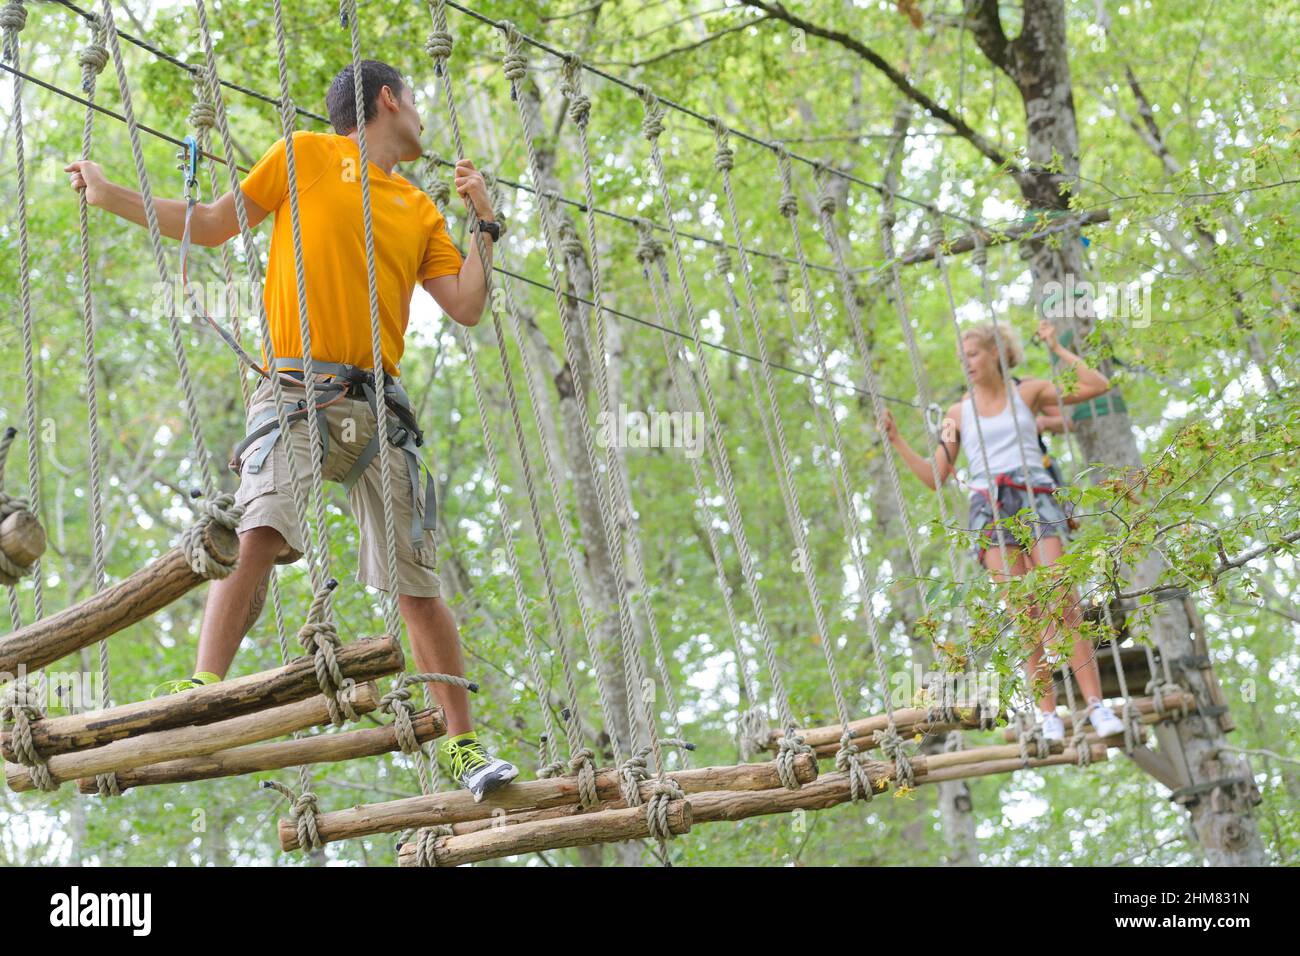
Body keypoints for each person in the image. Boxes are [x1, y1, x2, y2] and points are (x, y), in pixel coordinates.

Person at [65, 60, 518, 800]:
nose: (425, 120)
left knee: (417, 582)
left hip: (379, 408)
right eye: (417, 103)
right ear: (388, 100)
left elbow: (466, 304)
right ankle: (202, 689)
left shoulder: (417, 207)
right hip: (296, 390)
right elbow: (213, 224)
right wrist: (112, 193)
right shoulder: (305, 154)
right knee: (260, 530)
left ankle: (463, 748)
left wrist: (485, 226)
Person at [881, 319, 1125, 742]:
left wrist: (1056, 347)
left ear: (995, 352)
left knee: (1061, 602)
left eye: (972, 354)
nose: (966, 364)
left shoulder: (1027, 391)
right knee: (1024, 612)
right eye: (962, 359)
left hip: (1034, 493)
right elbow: (935, 475)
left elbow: (1096, 384)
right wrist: (898, 441)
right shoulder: (956, 414)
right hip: (990, 506)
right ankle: (1048, 713)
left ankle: (1097, 707)